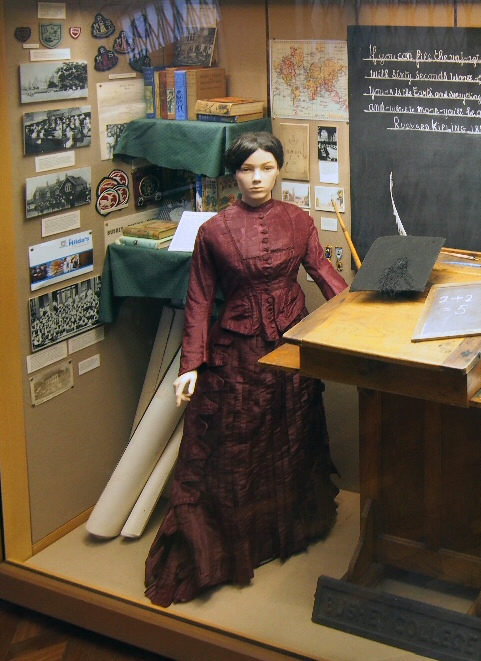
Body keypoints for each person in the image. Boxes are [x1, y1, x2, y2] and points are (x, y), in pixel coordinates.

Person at [144, 132, 348, 607]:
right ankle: (231, 549)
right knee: (234, 446)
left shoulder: (299, 220)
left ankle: (287, 534)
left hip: (293, 347)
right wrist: (191, 364)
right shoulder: (214, 230)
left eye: (266, 168)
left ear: (279, 170)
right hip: (237, 353)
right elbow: (199, 300)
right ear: (234, 174)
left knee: (292, 436)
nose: (257, 179)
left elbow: (325, 274)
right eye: (247, 170)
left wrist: (361, 316)